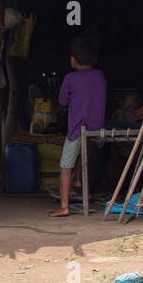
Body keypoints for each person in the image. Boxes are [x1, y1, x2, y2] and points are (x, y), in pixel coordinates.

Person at [49, 35, 106, 217]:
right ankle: (80, 184)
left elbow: (62, 101)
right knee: (85, 157)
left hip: (77, 129)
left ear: (76, 58)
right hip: (96, 129)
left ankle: (64, 205)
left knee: (66, 166)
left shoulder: (70, 78)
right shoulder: (99, 76)